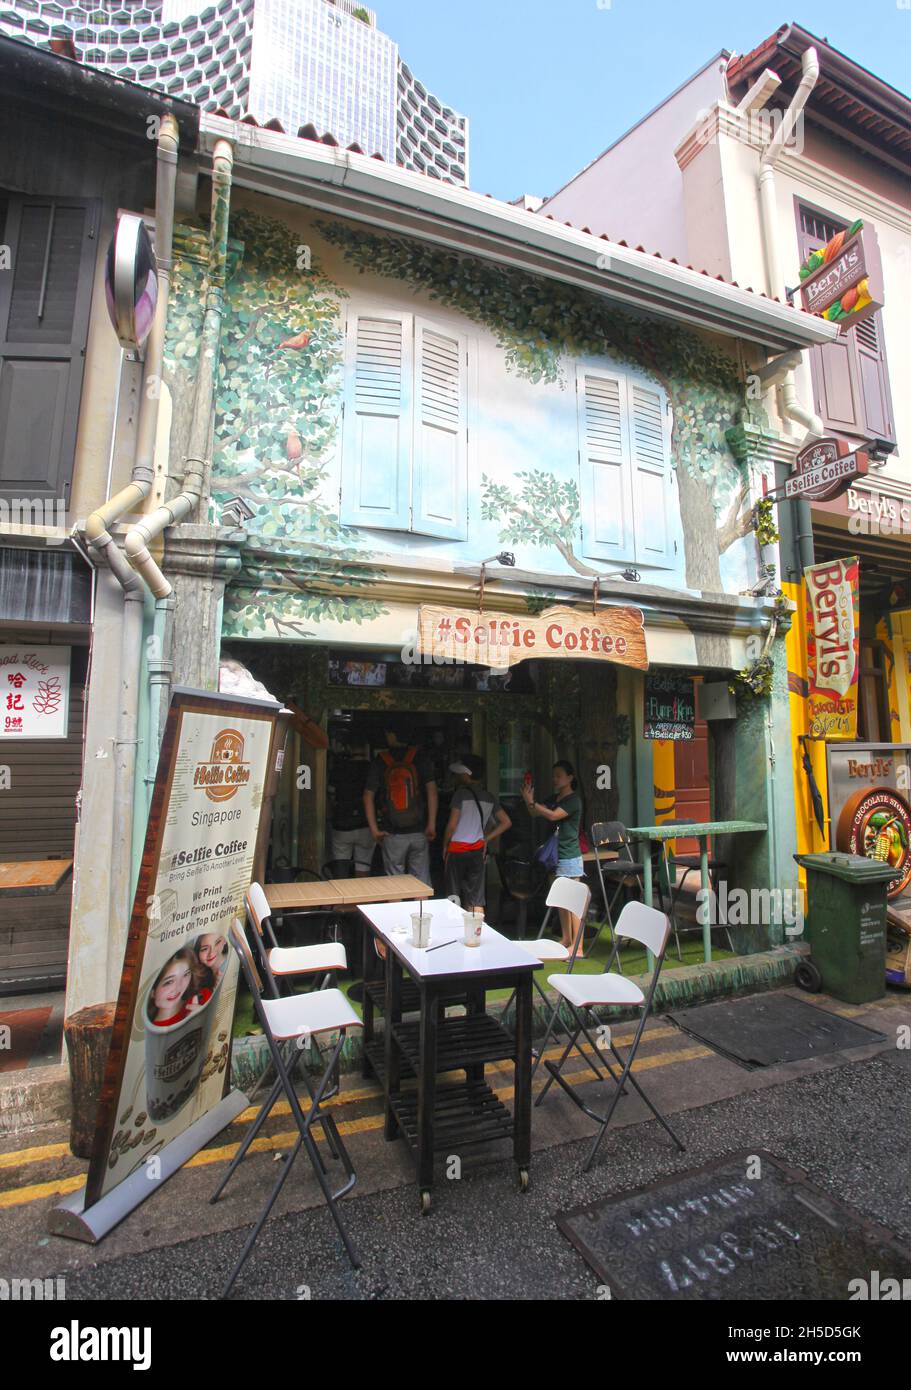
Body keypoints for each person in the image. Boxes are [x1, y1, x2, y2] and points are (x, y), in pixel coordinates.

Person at [522, 760, 586, 956]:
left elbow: (552, 815)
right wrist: (528, 799)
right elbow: (535, 812)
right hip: (557, 857)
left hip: (570, 856)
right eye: (554, 775)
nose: (555, 779)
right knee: (561, 901)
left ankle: (579, 946)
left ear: (570, 778)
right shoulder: (556, 797)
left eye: (559, 775)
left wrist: (533, 803)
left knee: (573, 902)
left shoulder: (573, 800)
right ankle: (567, 938)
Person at [363, 728, 438, 887]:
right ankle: (420, 911)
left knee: (395, 883)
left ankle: (397, 910)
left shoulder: (381, 760)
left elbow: (368, 796)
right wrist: (431, 824)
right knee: (420, 882)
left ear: (391, 735)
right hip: (419, 830)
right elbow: (432, 792)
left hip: (392, 832)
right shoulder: (419, 758)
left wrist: (374, 830)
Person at [443, 755, 512, 909]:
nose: (458, 776)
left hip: (457, 849)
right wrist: (486, 839)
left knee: (454, 896)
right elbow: (506, 822)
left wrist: (444, 846)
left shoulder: (460, 794)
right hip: (477, 851)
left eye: (460, 773)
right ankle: (476, 931)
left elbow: (452, 825)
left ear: (467, 774)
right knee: (476, 898)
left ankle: (455, 930)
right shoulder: (489, 797)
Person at [327, 738, 374, 875]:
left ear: (349, 748)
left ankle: (344, 894)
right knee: (363, 867)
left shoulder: (340, 767)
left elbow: (331, 793)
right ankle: (361, 895)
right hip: (365, 824)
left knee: (341, 868)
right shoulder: (371, 767)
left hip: (342, 823)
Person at [147, 948, 211, 1027]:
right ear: (152, 991)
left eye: (185, 974)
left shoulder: (203, 997)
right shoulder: (151, 1034)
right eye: (169, 982)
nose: (178, 987)